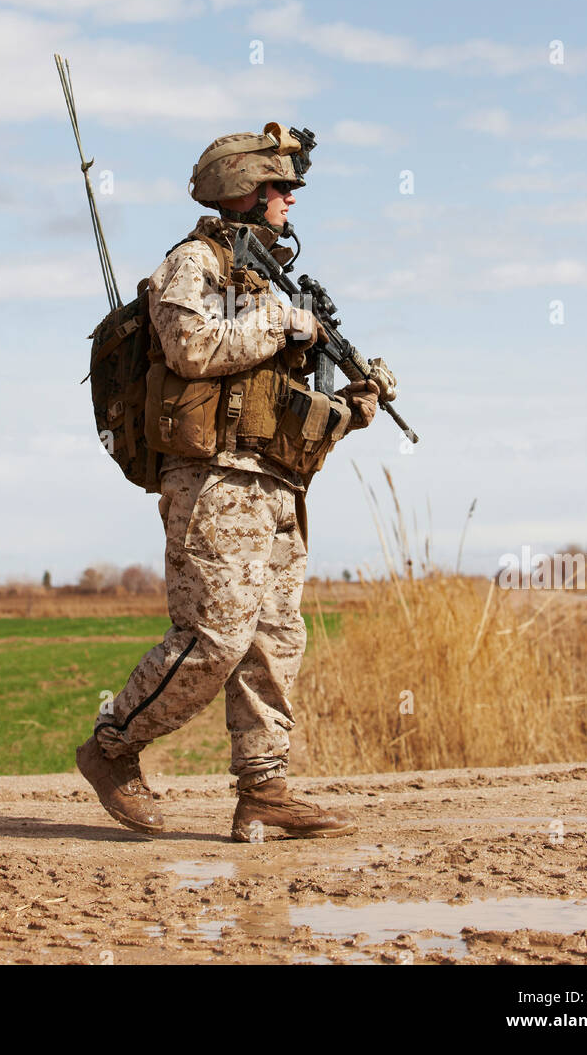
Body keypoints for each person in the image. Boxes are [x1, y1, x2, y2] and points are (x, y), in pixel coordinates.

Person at [76, 123, 380, 841]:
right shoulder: (192, 263)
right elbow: (191, 347)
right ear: (242, 190)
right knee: (214, 636)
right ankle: (112, 748)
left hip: (274, 481)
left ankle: (264, 789)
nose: (288, 203)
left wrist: (347, 407)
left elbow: (279, 401)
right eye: (279, 188)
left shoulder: (270, 279)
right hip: (212, 481)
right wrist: (282, 325)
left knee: (275, 638)